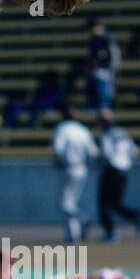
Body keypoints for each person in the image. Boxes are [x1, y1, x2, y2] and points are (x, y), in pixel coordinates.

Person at [52, 104, 97, 244]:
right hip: (82, 168)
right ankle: (73, 235)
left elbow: (58, 150)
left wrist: (57, 161)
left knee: (65, 204)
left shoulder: (61, 129)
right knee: (71, 201)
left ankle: (82, 219)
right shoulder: (83, 130)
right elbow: (93, 152)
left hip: (68, 168)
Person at [96, 110, 140, 241]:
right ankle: (134, 215)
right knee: (115, 202)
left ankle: (110, 232)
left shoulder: (105, 134)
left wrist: (100, 164)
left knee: (104, 203)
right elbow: (134, 151)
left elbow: (106, 153)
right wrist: (126, 163)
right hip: (123, 170)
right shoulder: (122, 132)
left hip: (111, 169)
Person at [85, 18, 121, 111]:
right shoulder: (94, 40)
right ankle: (94, 106)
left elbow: (113, 57)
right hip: (96, 70)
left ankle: (104, 109)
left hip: (106, 70)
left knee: (104, 95)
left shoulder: (107, 38)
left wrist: (109, 68)